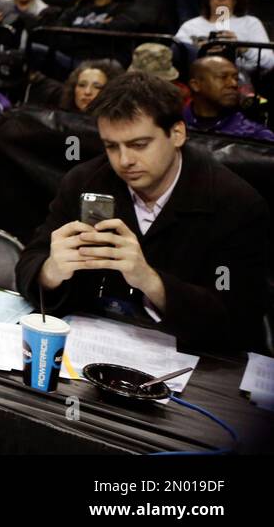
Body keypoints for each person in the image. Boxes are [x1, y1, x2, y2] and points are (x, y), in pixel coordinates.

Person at [15, 72, 269, 352]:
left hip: (193, 361)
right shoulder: (85, 181)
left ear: (177, 134)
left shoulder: (234, 202)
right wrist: (50, 272)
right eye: (111, 146)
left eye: (139, 145)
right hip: (93, 345)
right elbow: (29, 261)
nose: (124, 161)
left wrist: (150, 281)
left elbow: (239, 320)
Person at [175, 0, 272, 84]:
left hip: (238, 83)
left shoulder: (250, 23)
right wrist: (197, 51)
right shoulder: (190, 26)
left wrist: (243, 48)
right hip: (200, 84)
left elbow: (270, 63)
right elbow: (175, 61)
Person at [184, 56, 274, 142]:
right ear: (195, 85)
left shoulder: (255, 136)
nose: (233, 84)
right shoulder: (175, 121)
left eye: (236, 78)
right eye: (223, 77)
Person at [60, 59, 124, 113]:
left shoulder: (119, 125)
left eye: (97, 87)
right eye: (82, 85)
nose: (87, 92)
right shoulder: (58, 121)